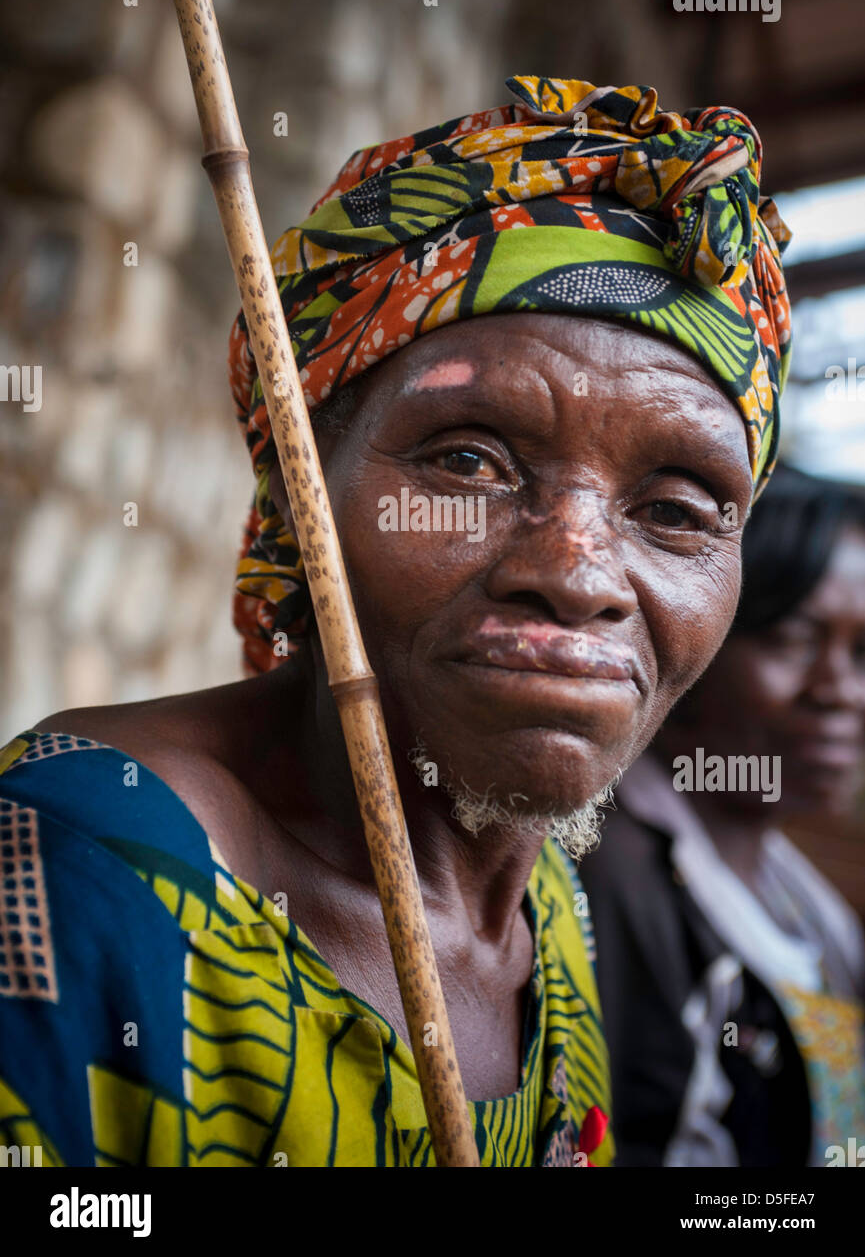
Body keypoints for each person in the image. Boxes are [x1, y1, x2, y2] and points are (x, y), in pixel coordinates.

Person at [0, 75, 791, 1166]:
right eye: (466, 459)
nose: (575, 572)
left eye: (674, 511)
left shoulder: (542, 901)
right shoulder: (80, 865)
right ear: (298, 490)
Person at [580, 464, 865, 1167]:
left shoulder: (792, 895)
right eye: (792, 640)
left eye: (862, 654)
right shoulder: (611, 877)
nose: (839, 693)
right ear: (695, 640)